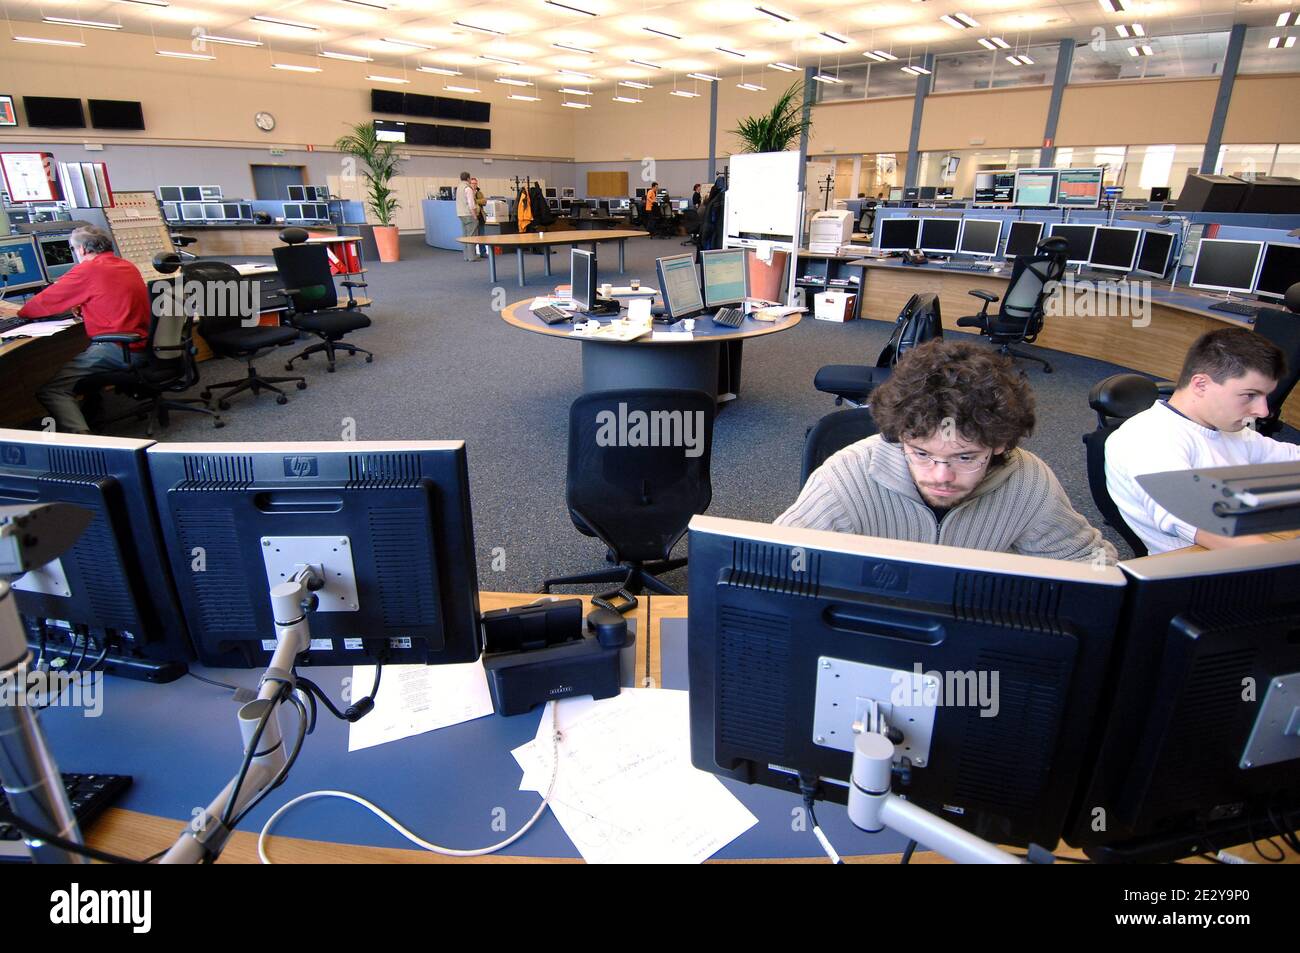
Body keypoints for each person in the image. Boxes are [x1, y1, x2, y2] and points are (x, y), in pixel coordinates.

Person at [777, 339, 1115, 563]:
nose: (941, 477)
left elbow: (1091, 565)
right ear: (900, 437)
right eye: (922, 454)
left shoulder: (1029, 483)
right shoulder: (847, 475)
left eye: (965, 457)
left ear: (1000, 444)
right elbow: (776, 560)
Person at [1106, 327, 1300, 553]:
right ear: (1200, 385)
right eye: (1250, 395)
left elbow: (1290, 458)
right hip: (1197, 573)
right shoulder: (1146, 440)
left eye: (1265, 396)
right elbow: (1212, 526)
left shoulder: (1228, 429)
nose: (1264, 411)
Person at [19, 225, 151, 434]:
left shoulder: (89, 269)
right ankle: (93, 416)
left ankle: (84, 439)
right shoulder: (125, 265)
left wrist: (17, 314)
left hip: (120, 348)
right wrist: (85, 304)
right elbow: (112, 297)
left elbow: (38, 305)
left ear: (81, 250)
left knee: (52, 390)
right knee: (85, 365)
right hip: (143, 342)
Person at [456, 171, 482, 262]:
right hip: (468, 214)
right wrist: (475, 215)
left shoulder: (459, 187)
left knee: (465, 236)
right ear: (468, 179)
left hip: (461, 214)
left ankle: (466, 256)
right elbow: (471, 204)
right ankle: (472, 256)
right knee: (472, 236)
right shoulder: (468, 188)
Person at [471, 176, 487, 257]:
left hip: (480, 216)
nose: (474, 185)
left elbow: (484, 201)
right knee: (473, 236)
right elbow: (470, 204)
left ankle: (483, 252)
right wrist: (477, 201)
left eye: (475, 183)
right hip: (473, 216)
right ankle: (473, 253)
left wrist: (475, 201)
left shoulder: (479, 193)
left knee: (482, 235)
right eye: (473, 183)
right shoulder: (468, 192)